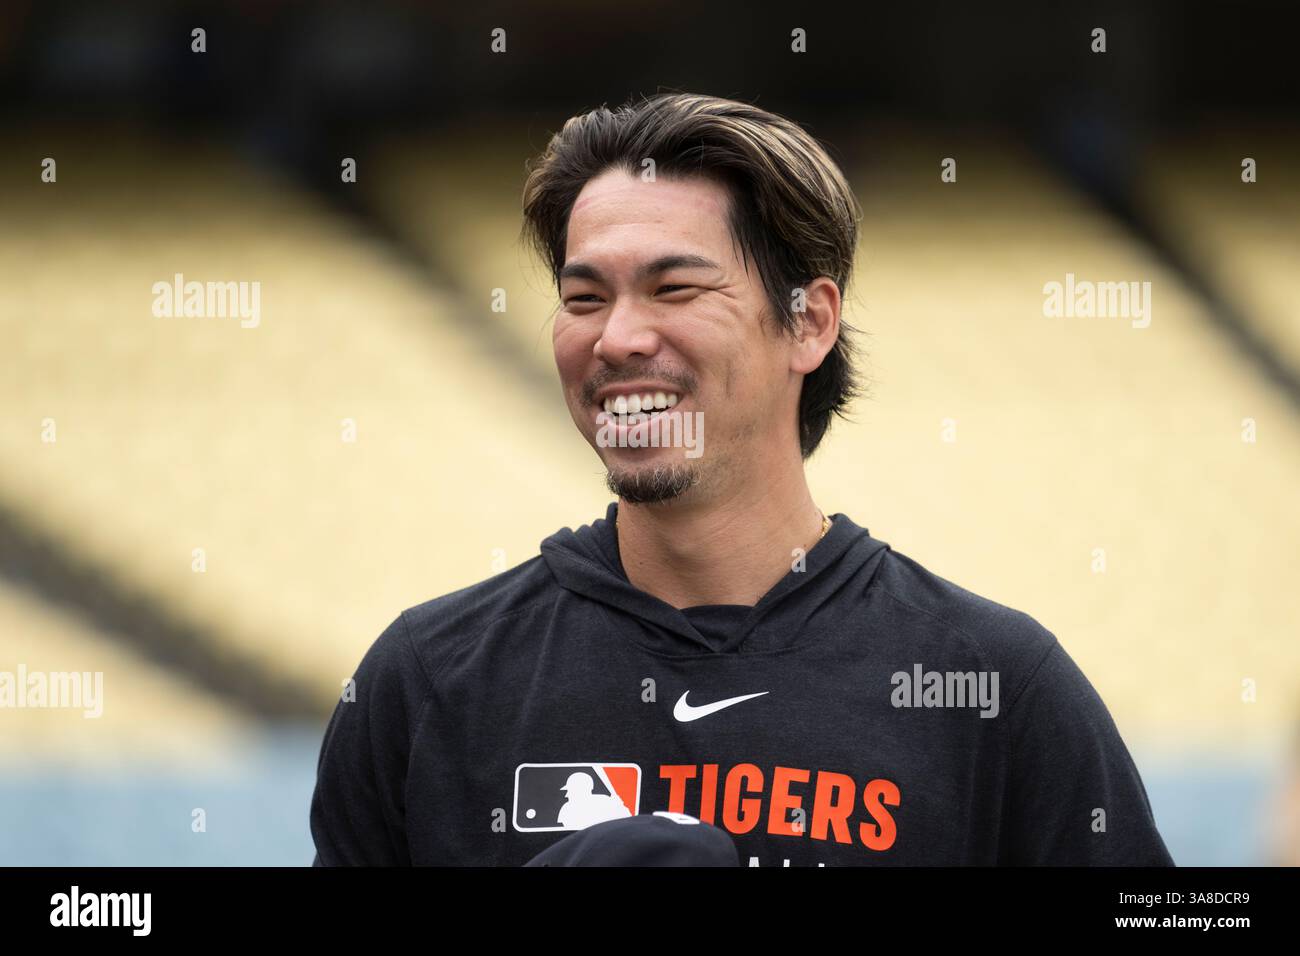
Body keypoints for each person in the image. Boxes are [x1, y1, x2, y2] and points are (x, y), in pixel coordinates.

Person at [310, 92, 1174, 866]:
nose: (616, 339)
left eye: (674, 288)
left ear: (809, 323)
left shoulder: (995, 684)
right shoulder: (425, 682)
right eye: (583, 299)